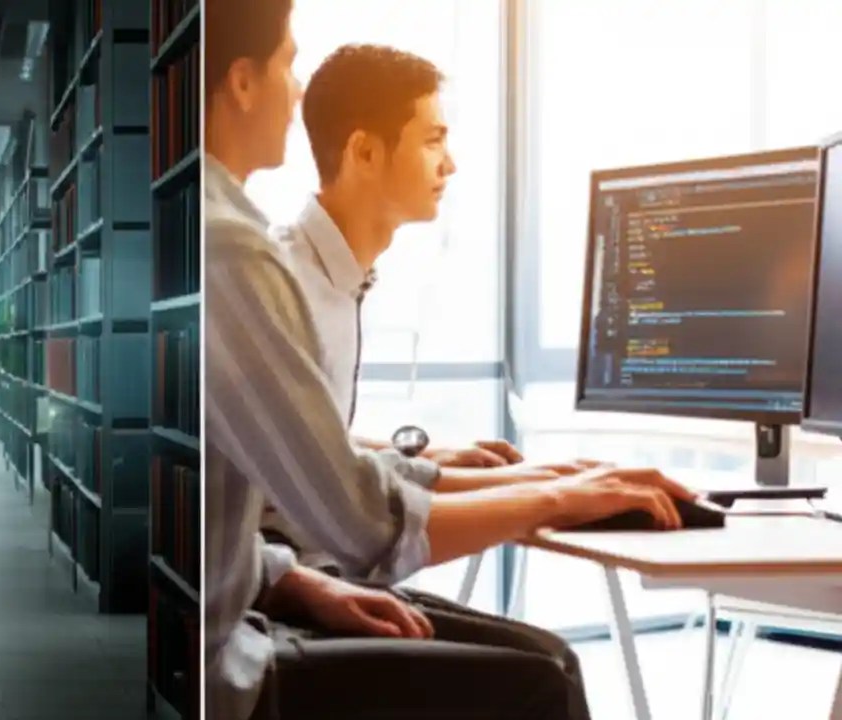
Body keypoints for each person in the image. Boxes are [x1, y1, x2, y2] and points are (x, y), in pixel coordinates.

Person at [204, 1, 696, 718]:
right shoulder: (241, 258)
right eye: (287, 63)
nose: (452, 163)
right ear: (244, 82)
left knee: (550, 661)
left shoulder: (254, 254)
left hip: (268, 589)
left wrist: (523, 477)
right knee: (543, 682)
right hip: (233, 655)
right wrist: (555, 495)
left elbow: (296, 464)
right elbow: (354, 515)